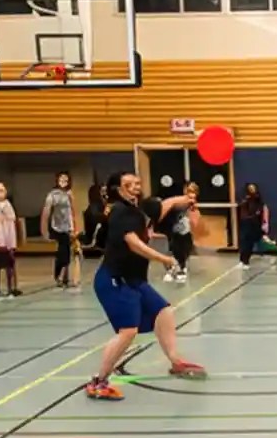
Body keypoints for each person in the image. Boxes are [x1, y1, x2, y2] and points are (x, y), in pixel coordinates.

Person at [86, 171, 207, 401]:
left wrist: (182, 200)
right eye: (128, 184)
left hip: (134, 280)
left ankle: (176, 362)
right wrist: (164, 259)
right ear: (118, 190)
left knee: (164, 311)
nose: (135, 187)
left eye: (137, 183)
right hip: (114, 280)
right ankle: (98, 381)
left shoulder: (138, 208)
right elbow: (133, 243)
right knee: (128, 331)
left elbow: (161, 208)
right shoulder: (120, 212)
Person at [41, 171, 79, 290]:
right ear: (57, 181)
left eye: (66, 180)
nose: (64, 182)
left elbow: (73, 212)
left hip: (68, 227)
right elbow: (46, 212)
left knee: (68, 253)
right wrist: (44, 230)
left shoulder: (69, 194)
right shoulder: (52, 195)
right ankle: (58, 275)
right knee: (62, 253)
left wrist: (75, 228)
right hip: (57, 227)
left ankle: (65, 278)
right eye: (61, 180)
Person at [237, 182, 270, 269]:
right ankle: (241, 260)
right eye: (250, 188)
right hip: (245, 223)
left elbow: (260, 212)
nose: (252, 190)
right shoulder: (244, 200)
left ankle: (246, 261)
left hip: (254, 224)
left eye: (253, 188)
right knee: (243, 242)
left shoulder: (259, 200)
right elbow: (241, 210)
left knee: (250, 244)